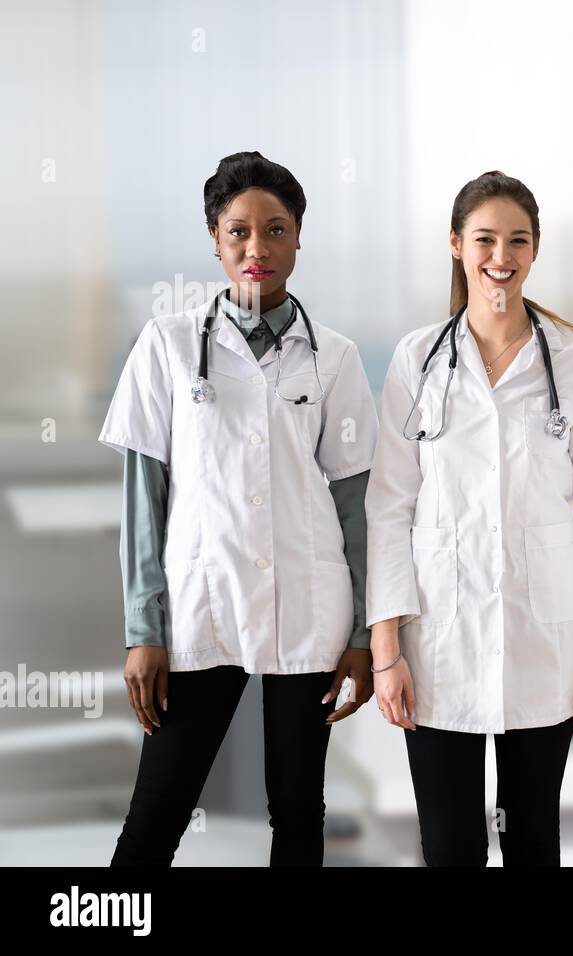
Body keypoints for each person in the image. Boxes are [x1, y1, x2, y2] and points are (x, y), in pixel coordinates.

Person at [99, 151, 378, 866]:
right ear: (215, 240)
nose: (258, 250)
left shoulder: (336, 359)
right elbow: (144, 502)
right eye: (239, 232)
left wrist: (363, 635)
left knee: (297, 810)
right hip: (203, 602)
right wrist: (143, 628)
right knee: (156, 814)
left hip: (309, 608)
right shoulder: (165, 347)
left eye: (276, 230)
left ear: (298, 238)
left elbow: (356, 507)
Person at [365, 171, 573, 867]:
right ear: (456, 245)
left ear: (534, 251)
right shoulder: (418, 359)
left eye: (517, 240)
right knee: (450, 848)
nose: (499, 256)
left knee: (534, 843)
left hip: (547, 641)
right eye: (483, 239)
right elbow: (389, 507)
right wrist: (386, 650)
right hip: (436, 644)